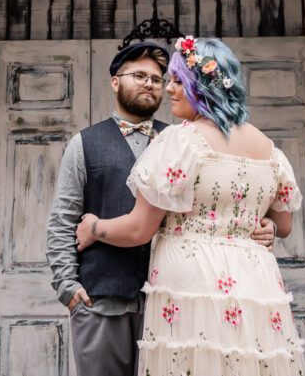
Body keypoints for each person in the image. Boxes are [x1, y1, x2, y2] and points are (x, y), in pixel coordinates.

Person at [45, 37, 278, 376]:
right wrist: (68, 287)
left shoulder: (185, 139)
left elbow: (227, 197)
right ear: (115, 82)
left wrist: (264, 224)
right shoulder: (84, 144)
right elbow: (63, 220)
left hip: (175, 300)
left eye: (157, 79)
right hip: (103, 299)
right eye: (139, 76)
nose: (151, 84)